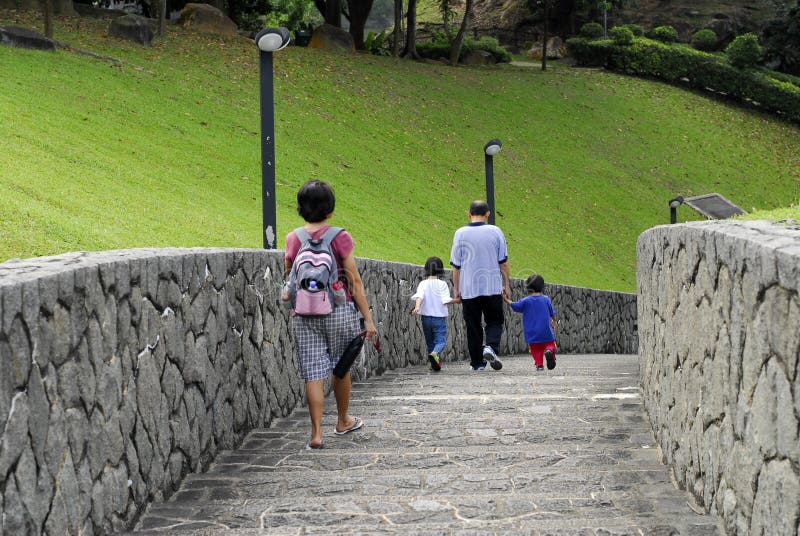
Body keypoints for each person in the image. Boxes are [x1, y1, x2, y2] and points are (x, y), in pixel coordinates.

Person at [284, 180, 377, 450]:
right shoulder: (339, 236)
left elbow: (289, 274)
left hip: (305, 313)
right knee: (341, 366)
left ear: (301, 208)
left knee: (313, 373)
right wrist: (368, 318)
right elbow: (355, 280)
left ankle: (316, 433)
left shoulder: (293, 238)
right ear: (330, 210)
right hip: (338, 310)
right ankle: (343, 420)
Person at [449, 200, 511, 371]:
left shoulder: (460, 233)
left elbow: (456, 266)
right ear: (488, 214)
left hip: (469, 289)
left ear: (469, 214)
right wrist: (507, 284)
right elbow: (503, 263)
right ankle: (490, 347)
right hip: (492, 287)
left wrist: (456, 289)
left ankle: (477, 364)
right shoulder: (496, 231)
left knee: (473, 326)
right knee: (495, 321)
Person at [411, 256, 458, 372]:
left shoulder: (423, 283)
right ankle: (434, 354)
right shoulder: (442, 284)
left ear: (426, 269)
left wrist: (417, 307)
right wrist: (458, 300)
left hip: (425, 318)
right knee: (441, 341)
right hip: (438, 319)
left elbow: (419, 296)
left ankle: (434, 364)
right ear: (441, 269)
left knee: (430, 341)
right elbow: (446, 300)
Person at [504, 274, 557, 371]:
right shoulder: (546, 299)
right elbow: (552, 312)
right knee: (550, 344)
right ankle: (549, 351)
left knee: (536, 349)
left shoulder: (525, 301)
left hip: (532, 332)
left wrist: (507, 300)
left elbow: (515, 306)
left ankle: (540, 365)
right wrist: (554, 321)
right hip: (545, 331)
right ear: (542, 287)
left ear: (528, 287)